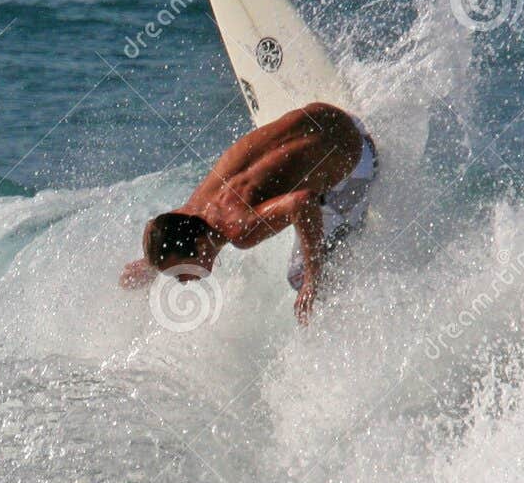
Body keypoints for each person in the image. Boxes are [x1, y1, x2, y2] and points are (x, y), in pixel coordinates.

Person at [120, 102, 377, 323]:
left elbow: (302, 202)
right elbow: (165, 229)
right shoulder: (194, 209)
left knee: (301, 280)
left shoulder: (238, 230)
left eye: (181, 274)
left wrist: (313, 277)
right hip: (329, 114)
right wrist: (153, 264)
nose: (185, 282)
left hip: (357, 160)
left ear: (200, 245)